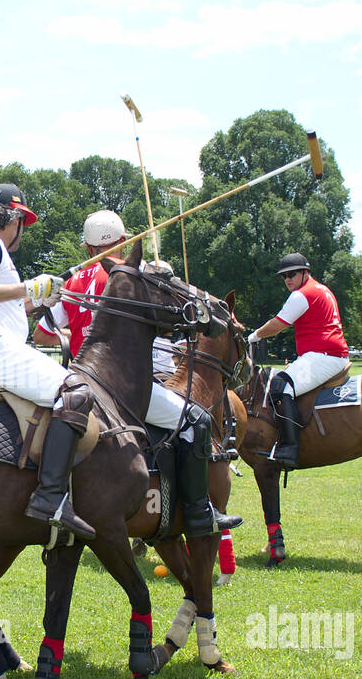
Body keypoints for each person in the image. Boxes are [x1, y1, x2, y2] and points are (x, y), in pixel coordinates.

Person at [34, 211, 240, 537]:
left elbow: (41, 336)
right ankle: (200, 512)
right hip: (127, 386)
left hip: (80, 383)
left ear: (88, 248)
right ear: (124, 240)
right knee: (196, 421)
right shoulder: (135, 273)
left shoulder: (73, 283)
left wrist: (81, 337)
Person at [0, 183, 95, 540]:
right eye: (22, 221)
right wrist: (28, 287)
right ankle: (50, 498)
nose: (23, 231)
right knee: (74, 392)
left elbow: (10, 306)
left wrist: (42, 298)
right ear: (11, 217)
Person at [246, 251, 350, 468]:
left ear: (305, 272)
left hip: (324, 356)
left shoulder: (302, 294)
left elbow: (278, 324)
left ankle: (289, 448)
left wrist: (253, 337)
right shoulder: (323, 289)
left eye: (292, 274)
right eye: (284, 276)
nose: (287, 279)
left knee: (279, 385)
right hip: (325, 354)